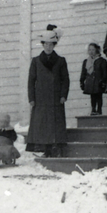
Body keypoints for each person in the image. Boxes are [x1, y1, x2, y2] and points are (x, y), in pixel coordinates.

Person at [27, 25, 69, 156]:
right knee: (42, 124)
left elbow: (65, 80)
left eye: (51, 44)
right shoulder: (36, 61)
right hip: (41, 98)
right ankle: (45, 150)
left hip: (56, 98)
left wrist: (63, 95)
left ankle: (56, 149)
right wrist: (31, 98)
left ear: (54, 45)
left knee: (55, 124)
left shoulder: (61, 61)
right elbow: (31, 81)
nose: (48, 47)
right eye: (46, 44)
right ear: (42, 45)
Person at [79, 42, 107, 115]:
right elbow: (83, 73)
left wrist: (103, 81)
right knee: (92, 96)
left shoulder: (101, 61)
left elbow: (105, 73)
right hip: (90, 82)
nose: (91, 51)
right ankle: (93, 109)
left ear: (97, 50)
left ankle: (99, 110)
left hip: (98, 82)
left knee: (98, 96)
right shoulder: (86, 61)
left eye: (93, 50)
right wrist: (82, 82)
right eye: (89, 50)